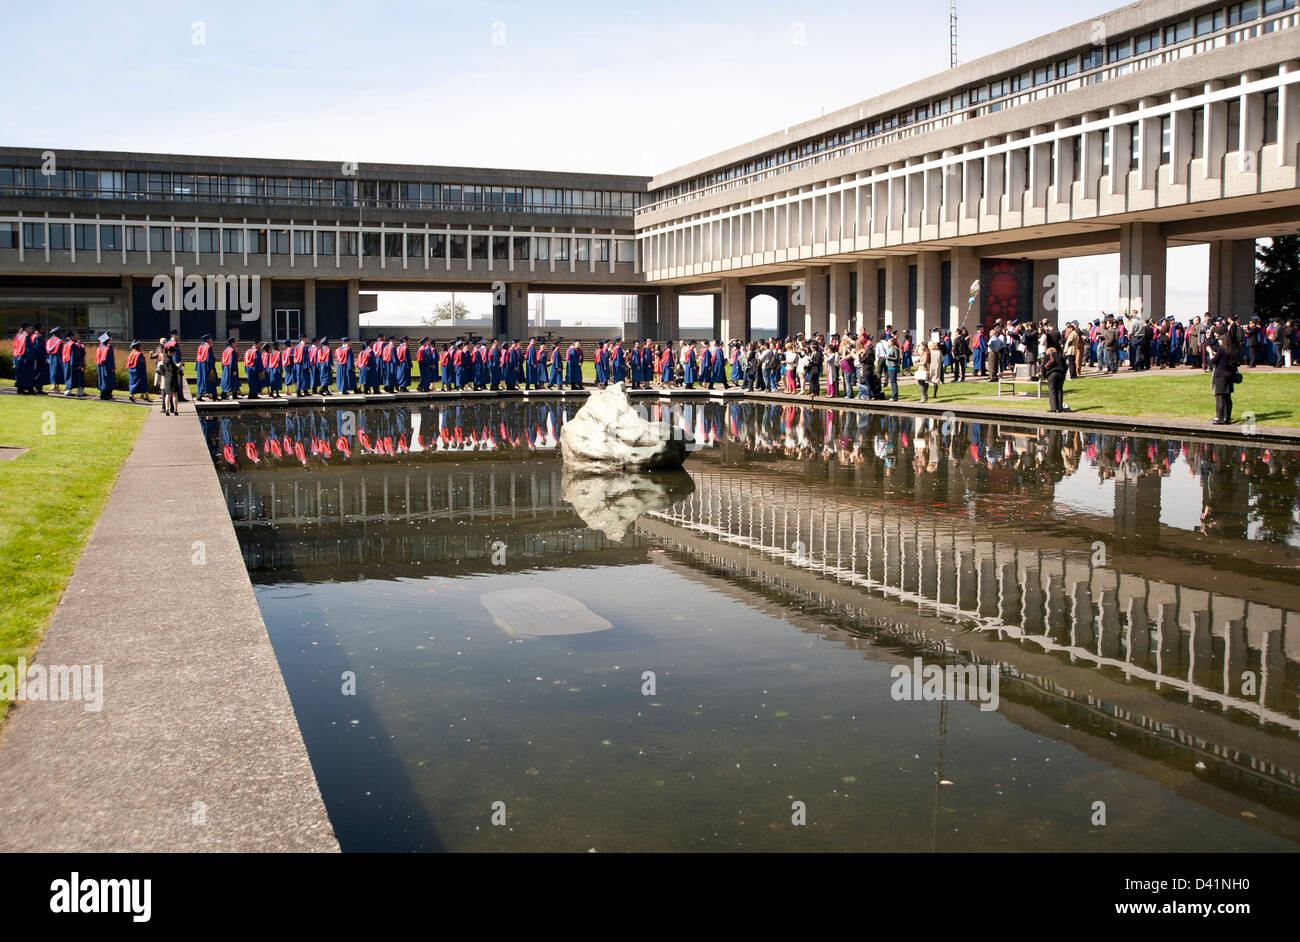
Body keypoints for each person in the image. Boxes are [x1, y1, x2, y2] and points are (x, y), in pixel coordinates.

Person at [1209, 327, 1241, 425]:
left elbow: (1213, 361)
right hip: (1229, 375)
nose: (1219, 342)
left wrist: (1210, 352)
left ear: (1223, 341)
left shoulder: (1222, 349)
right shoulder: (1232, 350)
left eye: (1220, 340)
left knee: (1220, 397)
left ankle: (1219, 417)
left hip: (1221, 375)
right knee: (1228, 397)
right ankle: (1227, 418)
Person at [1042, 335, 1068, 413]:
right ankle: (1060, 408)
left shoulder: (1047, 357)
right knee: (1059, 390)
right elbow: (1066, 366)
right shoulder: (1060, 356)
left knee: (1052, 391)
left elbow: (1043, 368)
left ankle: (1053, 408)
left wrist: (1044, 376)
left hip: (1051, 375)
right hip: (1061, 374)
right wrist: (1064, 373)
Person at [159, 343, 181, 415]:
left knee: (167, 395)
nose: (174, 354)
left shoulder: (165, 360)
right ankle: (175, 409)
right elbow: (172, 369)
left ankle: (167, 409)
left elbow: (162, 369)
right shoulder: (170, 360)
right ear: (170, 352)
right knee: (174, 395)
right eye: (173, 353)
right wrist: (178, 367)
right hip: (173, 378)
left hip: (167, 378)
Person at [63, 330, 86, 396]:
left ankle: (68, 390)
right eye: (76, 336)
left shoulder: (67, 344)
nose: (78, 337)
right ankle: (79, 392)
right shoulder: (73, 345)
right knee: (78, 378)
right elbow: (74, 356)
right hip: (73, 364)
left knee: (68, 377)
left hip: (67, 363)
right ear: (72, 337)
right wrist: (77, 365)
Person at [195, 333, 217, 400]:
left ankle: (199, 395)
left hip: (200, 366)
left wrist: (197, 368)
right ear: (207, 340)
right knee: (211, 380)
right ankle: (214, 397)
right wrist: (211, 368)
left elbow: (198, 357)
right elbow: (209, 359)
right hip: (207, 366)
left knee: (201, 380)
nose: (211, 340)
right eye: (210, 339)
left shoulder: (200, 346)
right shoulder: (208, 347)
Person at [95, 333, 116, 400]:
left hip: (100, 366)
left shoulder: (100, 347)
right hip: (106, 367)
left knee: (102, 381)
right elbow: (110, 359)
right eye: (110, 337)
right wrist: (112, 368)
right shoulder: (108, 348)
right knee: (108, 381)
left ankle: (104, 395)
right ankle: (106, 396)